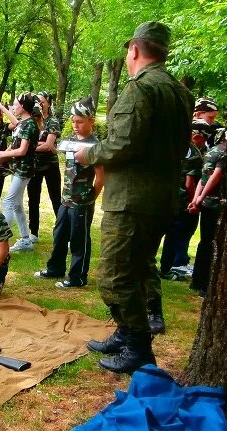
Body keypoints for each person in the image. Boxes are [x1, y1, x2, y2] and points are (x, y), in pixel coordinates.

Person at [74, 22, 193, 373]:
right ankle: (127, 332)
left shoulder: (141, 88)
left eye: (127, 52)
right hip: (160, 197)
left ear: (136, 50)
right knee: (139, 269)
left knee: (113, 275)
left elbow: (124, 143)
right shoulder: (179, 91)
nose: (127, 58)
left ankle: (139, 345)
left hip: (131, 200)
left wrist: (89, 155)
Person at [35, 97, 104, 289]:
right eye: (73, 121)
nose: (75, 125)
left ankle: (77, 278)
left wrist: (90, 199)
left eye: (80, 122)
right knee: (59, 236)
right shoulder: (71, 141)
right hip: (65, 200)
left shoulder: (95, 146)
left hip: (81, 202)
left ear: (91, 122)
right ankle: (55, 268)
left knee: (78, 241)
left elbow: (100, 177)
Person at [158, 121, 209, 279]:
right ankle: (166, 269)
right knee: (174, 236)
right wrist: (194, 201)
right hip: (182, 203)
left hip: (163, 197)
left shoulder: (170, 147)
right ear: (195, 136)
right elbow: (189, 182)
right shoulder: (194, 154)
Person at [187, 128, 227, 297]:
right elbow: (215, 177)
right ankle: (206, 285)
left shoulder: (210, 151)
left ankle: (197, 281)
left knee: (204, 242)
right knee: (214, 243)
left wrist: (197, 199)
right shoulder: (225, 153)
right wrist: (201, 197)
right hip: (215, 204)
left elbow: (202, 179)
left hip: (205, 204)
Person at [0, 92, 39, 252]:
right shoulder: (22, 123)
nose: (13, 107)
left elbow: (22, 150)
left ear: (23, 106)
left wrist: (2, 155)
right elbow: (14, 145)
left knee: (8, 202)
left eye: (15, 104)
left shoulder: (30, 125)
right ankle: (26, 240)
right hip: (17, 168)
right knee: (17, 204)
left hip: (24, 169)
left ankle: (0, 242)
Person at [27, 91, 62, 242]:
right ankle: (33, 233)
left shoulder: (52, 121)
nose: (39, 104)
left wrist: (28, 146)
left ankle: (62, 234)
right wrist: (39, 144)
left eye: (42, 101)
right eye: (37, 101)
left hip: (50, 165)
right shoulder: (32, 121)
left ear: (48, 103)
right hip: (34, 166)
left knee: (56, 199)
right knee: (33, 199)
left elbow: (49, 146)